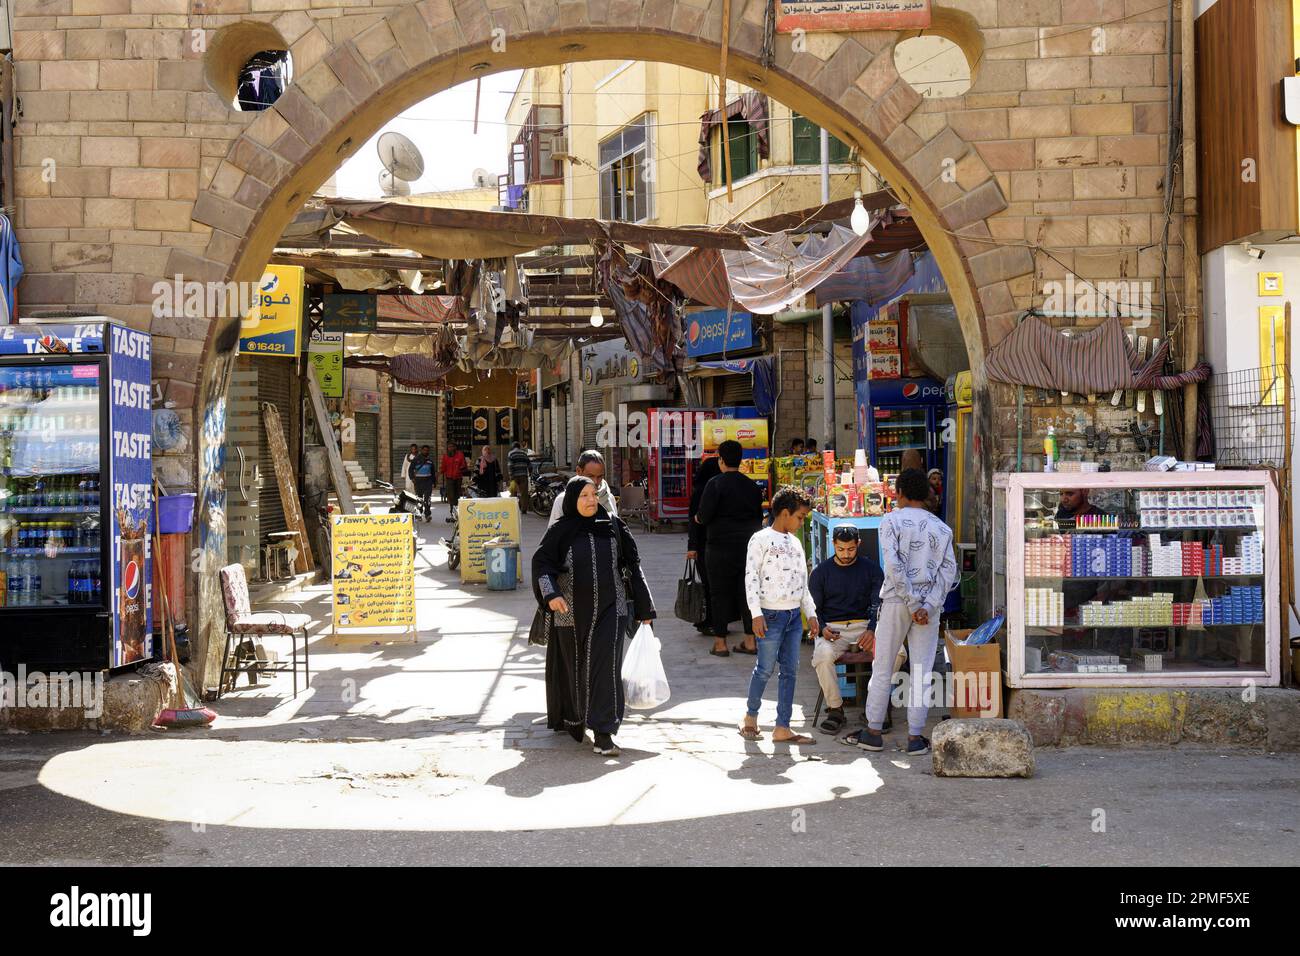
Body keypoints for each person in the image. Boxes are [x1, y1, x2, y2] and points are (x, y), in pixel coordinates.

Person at [532, 477, 655, 756]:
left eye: (593, 494)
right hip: (570, 613)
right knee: (576, 668)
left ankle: (603, 731)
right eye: (584, 495)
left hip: (613, 608)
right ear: (571, 500)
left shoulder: (613, 526)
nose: (590, 500)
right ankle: (575, 718)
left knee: (605, 667)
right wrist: (551, 595)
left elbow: (633, 565)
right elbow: (542, 565)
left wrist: (645, 608)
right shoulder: (560, 531)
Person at [851, 468, 958, 756]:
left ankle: (873, 731)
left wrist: (911, 603)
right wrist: (927, 606)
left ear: (899, 493)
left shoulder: (890, 521)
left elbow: (894, 566)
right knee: (922, 670)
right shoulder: (942, 528)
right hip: (927, 609)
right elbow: (949, 572)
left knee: (883, 666)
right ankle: (915, 737)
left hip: (897, 601)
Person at [739, 487, 819, 746]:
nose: (801, 522)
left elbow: (803, 582)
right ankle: (751, 717)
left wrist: (811, 613)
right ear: (785, 513)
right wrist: (756, 614)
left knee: (790, 671)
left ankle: (782, 726)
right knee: (764, 669)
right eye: (800, 517)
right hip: (769, 616)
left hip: (794, 617)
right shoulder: (760, 539)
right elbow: (751, 578)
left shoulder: (796, 543)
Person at [809, 524, 885, 734]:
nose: (845, 554)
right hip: (834, 629)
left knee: (898, 653)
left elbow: (879, 604)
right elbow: (814, 609)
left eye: (850, 549)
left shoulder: (872, 569)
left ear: (858, 544)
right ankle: (835, 709)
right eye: (840, 549)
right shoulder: (820, 573)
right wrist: (822, 628)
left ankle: (875, 706)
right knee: (822, 656)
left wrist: (872, 629)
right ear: (833, 544)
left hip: (866, 626)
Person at [696, 439, 764, 656]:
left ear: (721, 460)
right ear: (741, 460)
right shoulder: (752, 486)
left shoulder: (714, 484)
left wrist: (698, 518)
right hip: (748, 548)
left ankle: (720, 643)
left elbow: (704, 516)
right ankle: (750, 641)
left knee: (719, 594)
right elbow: (758, 518)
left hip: (719, 548)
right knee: (747, 592)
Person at [686, 454, 722, 634]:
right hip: (710, 542)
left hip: (704, 542)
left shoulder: (703, 490)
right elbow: (694, 520)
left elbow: (693, 521)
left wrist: (692, 546)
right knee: (713, 583)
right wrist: (692, 546)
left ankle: (712, 620)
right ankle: (715, 619)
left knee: (709, 583)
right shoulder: (710, 490)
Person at [548, 449, 618, 525]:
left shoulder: (609, 498)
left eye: (599, 476)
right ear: (578, 471)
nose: (595, 482)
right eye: (590, 476)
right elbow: (554, 531)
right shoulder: (563, 500)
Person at [440, 442, 467, 521]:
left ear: (455, 447)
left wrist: (460, 469)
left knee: (457, 495)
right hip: (449, 478)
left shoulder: (460, 455)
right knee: (451, 496)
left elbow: (464, 465)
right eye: (449, 447)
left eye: (452, 446)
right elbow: (443, 467)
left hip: (458, 478)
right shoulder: (445, 456)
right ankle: (452, 513)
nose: (451, 448)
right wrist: (439, 473)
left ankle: (457, 513)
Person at [410, 446, 435, 521]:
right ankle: (419, 514)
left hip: (428, 482)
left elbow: (433, 472)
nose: (426, 451)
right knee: (419, 499)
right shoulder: (416, 459)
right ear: (421, 450)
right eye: (424, 450)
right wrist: (412, 478)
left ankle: (427, 515)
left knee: (428, 499)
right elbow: (410, 469)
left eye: (427, 450)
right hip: (418, 482)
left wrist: (434, 482)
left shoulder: (430, 461)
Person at [507, 441, 532, 513]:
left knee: (513, 492)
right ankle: (523, 509)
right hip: (523, 475)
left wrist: (511, 476)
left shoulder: (511, 453)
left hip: (514, 476)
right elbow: (529, 465)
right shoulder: (524, 453)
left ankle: (514, 509)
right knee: (524, 493)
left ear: (513, 447)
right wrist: (530, 473)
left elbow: (510, 465)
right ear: (519, 446)